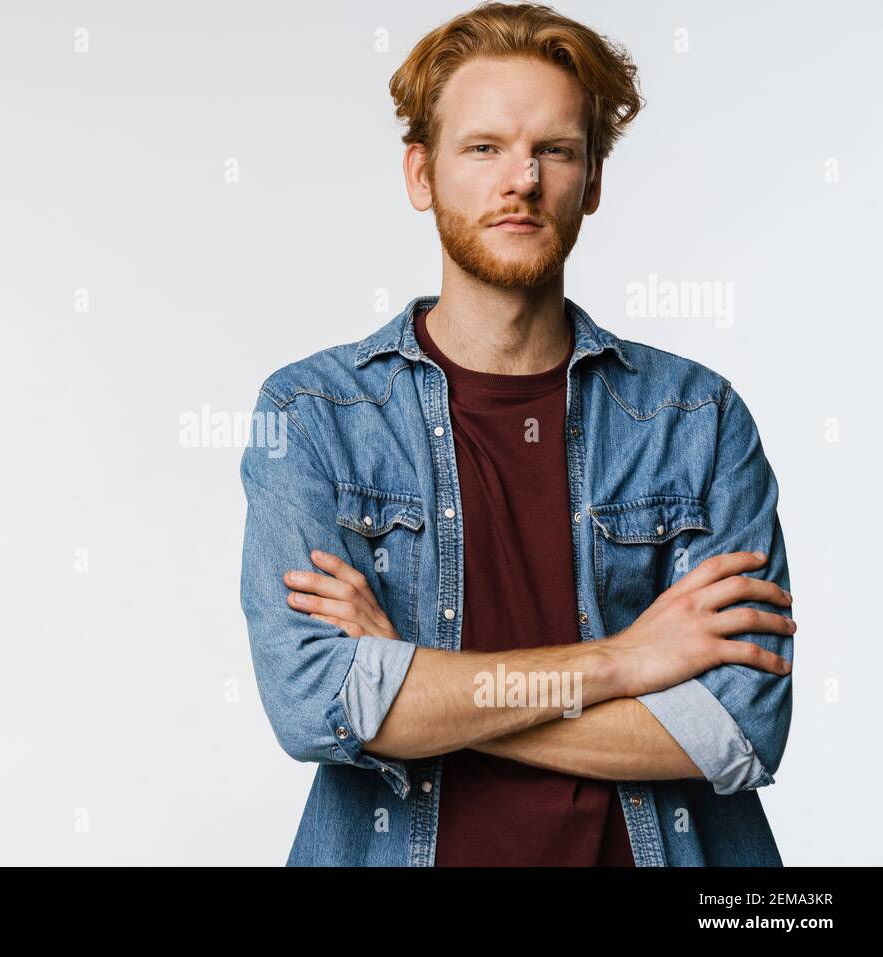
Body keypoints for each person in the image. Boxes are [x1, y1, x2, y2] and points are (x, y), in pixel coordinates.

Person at [237, 1, 794, 867]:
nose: (522, 179)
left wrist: (418, 694)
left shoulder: (696, 418)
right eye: (485, 147)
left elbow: (736, 730)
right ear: (421, 174)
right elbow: (315, 704)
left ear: (593, 180)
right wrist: (620, 662)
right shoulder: (313, 413)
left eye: (555, 150)